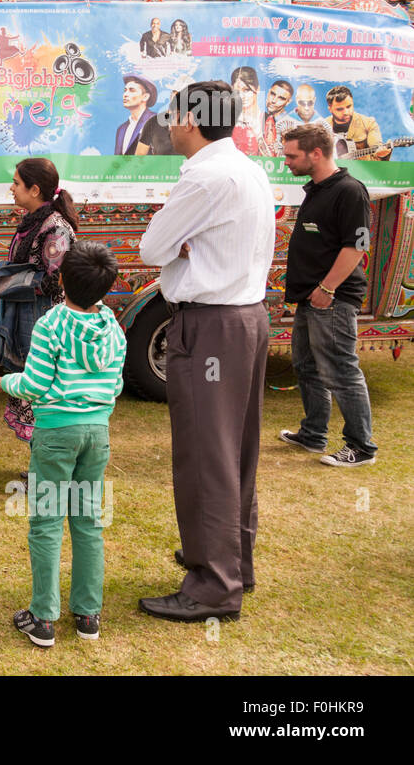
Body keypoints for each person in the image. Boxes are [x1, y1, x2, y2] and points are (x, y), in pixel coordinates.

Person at [137, 81, 275, 623]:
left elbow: (151, 247)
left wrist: (179, 245)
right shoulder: (244, 167)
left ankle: (214, 585)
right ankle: (231, 559)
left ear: (191, 119)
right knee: (235, 450)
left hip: (212, 324)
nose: (168, 125)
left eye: (173, 114)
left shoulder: (205, 175)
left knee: (205, 455)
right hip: (246, 318)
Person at [0, 242, 126, 647]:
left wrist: (5, 383)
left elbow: (33, 384)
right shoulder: (114, 329)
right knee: (88, 523)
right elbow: (116, 384)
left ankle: (43, 617)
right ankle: (89, 615)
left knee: (47, 523)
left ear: (63, 279)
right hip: (97, 434)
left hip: (56, 436)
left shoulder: (51, 325)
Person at [279, 123, 378, 467]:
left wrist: (327, 288)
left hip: (332, 299)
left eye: (292, 155)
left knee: (340, 370)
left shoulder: (350, 191)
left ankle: (361, 447)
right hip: (311, 297)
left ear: (316, 153)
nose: (286, 162)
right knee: (306, 366)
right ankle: (313, 434)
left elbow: (357, 247)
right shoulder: (317, 189)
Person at [0, 158, 79, 444]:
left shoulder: (54, 227)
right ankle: (42, 463)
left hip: (44, 319)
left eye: (16, 183)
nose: (11, 188)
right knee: (34, 389)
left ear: (34, 190)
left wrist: (11, 282)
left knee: (43, 391)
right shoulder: (35, 222)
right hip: (31, 317)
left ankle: (47, 467)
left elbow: (53, 279)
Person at [326, 85, 391, 160]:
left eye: (349, 106)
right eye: (340, 109)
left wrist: (381, 153)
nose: (346, 112)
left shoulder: (368, 123)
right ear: (330, 109)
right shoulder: (322, 126)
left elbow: (376, 146)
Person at [114, 75, 159, 155]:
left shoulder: (156, 122)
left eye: (132, 90)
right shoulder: (121, 129)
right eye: (125, 90)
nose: (125, 94)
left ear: (145, 97)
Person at [230, 66, 263, 156]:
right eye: (237, 91)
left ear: (257, 89)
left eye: (246, 90)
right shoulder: (225, 119)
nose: (241, 96)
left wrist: (258, 136)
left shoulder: (267, 120)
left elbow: (274, 158)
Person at [261, 79, 294, 156]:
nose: (274, 101)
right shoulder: (259, 118)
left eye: (281, 98)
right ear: (268, 92)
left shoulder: (289, 125)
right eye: (272, 94)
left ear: (288, 101)